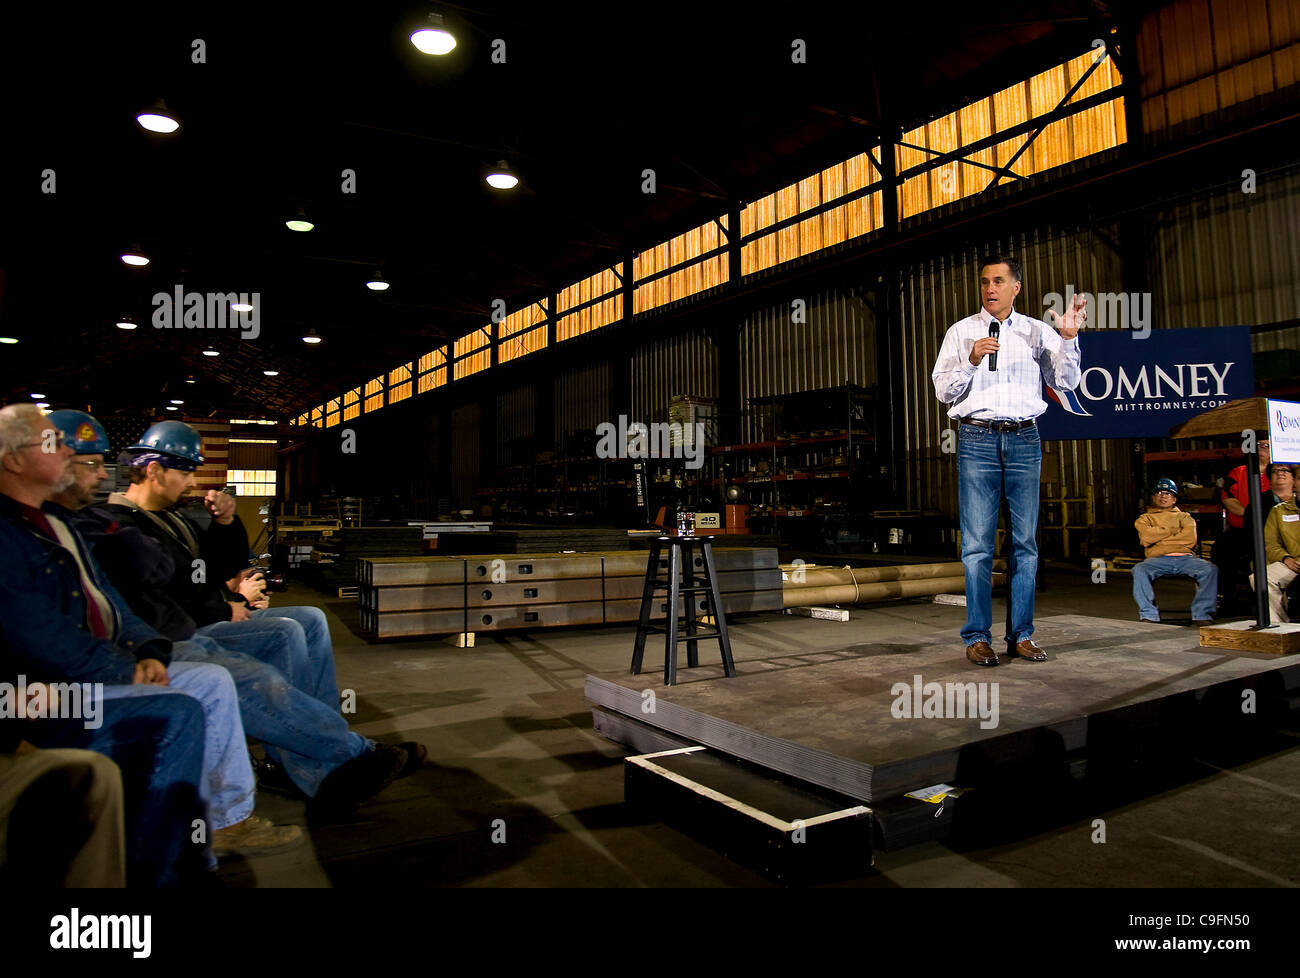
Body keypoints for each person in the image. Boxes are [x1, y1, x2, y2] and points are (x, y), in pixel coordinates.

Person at [50, 412, 423, 805]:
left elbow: (213, 568)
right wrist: (229, 604)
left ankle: (323, 753)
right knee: (281, 635)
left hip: (188, 620)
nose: (194, 481)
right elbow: (157, 595)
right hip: (176, 630)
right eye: (187, 471)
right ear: (155, 471)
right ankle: (333, 758)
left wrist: (227, 524)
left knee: (310, 619)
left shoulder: (174, 520)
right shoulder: (110, 524)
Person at [0, 403, 301, 868]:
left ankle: (225, 821)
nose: (96, 472)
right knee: (192, 698)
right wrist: (128, 665)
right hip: (45, 691)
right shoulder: (24, 532)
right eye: (57, 446)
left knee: (236, 668)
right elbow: (39, 634)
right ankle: (179, 856)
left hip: (117, 655)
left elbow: (112, 601)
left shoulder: (56, 525)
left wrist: (148, 648)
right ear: (15, 460)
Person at [931, 255, 1086, 666]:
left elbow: (1066, 382)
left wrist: (1068, 338)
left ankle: (1022, 635)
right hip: (977, 439)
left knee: (1025, 544)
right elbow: (944, 392)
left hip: (1024, 440)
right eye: (984, 282)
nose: (990, 288)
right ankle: (977, 637)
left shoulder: (1037, 332)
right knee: (978, 545)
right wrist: (971, 359)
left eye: (998, 281)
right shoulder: (961, 332)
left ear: (1016, 286)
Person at [1131, 478, 1218, 624]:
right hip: (1157, 560)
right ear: (1153, 497)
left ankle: (1202, 615)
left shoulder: (1185, 517)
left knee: (1210, 569)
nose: (1163, 496)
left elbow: (1190, 539)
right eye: (1159, 493)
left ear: (1174, 499)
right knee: (1139, 570)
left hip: (1186, 559)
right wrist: (1173, 531)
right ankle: (1149, 614)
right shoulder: (1144, 518)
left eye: (1167, 493)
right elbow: (1146, 537)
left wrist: (1159, 538)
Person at [1214, 439, 1271, 614]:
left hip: (1271, 529)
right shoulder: (1238, 472)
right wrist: (1251, 515)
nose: (1261, 449)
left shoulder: (1279, 472)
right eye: (1258, 445)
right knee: (1222, 549)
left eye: (1266, 446)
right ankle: (1229, 600)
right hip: (1244, 529)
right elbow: (1228, 499)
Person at [1256, 489, 1300, 623]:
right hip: (1293, 563)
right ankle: (1281, 627)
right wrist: (1286, 558)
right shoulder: (1278, 511)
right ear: (1294, 483)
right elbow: (1269, 544)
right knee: (1261, 578)